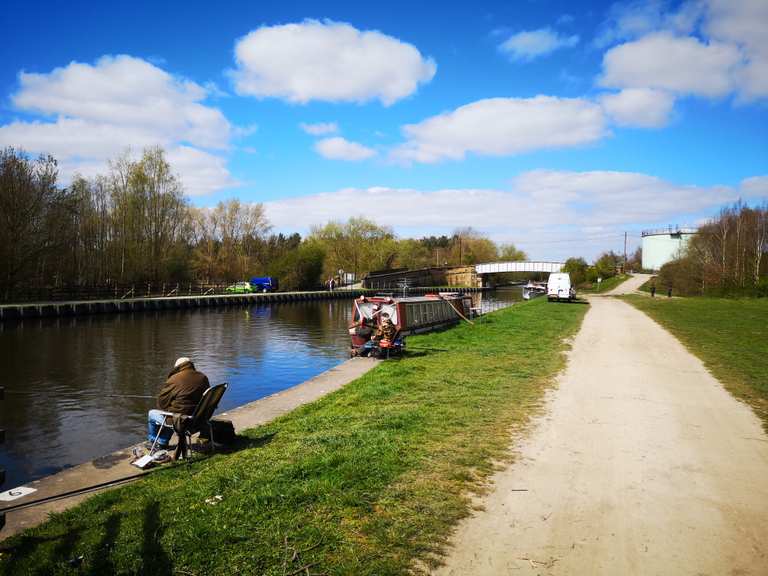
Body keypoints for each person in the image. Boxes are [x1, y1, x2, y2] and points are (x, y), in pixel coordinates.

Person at [147, 357, 209, 448]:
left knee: (152, 413)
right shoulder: (203, 377)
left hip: (181, 422)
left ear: (177, 368)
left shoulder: (174, 379)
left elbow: (161, 403)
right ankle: (163, 440)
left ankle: (155, 442)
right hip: (199, 419)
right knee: (173, 411)